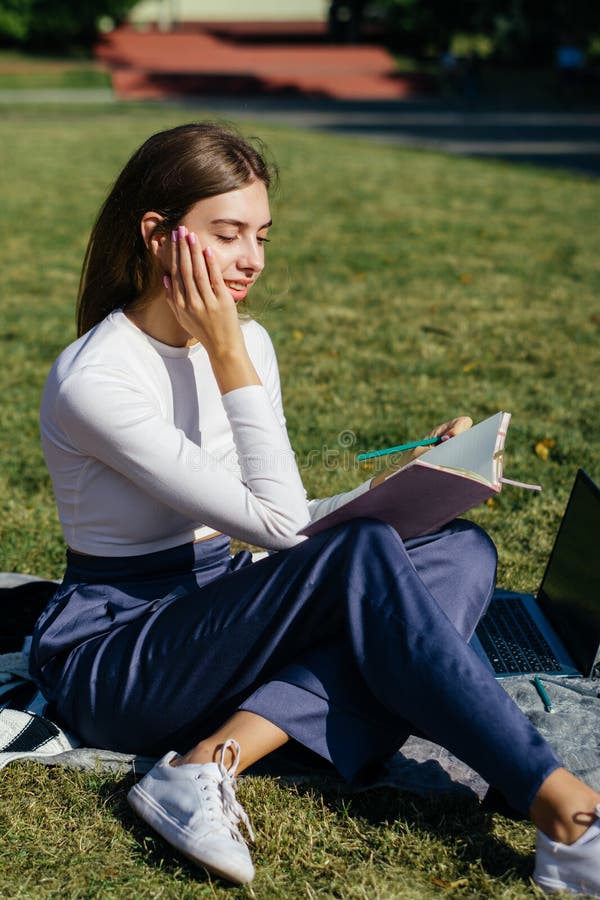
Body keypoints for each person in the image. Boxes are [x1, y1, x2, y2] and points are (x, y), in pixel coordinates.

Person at [30, 122, 600, 893]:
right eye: (227, 235)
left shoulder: (249, 343)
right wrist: (228, 354)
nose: (252, 261)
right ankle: (561, 804)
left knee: (463, 551)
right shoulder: (95, 379)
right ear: (159, 237)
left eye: (261, 236)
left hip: (223, 609)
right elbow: (282, 529)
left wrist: (410, 482)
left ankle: (209, 762)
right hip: (121, 657)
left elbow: (277, 518)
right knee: (365, 567)